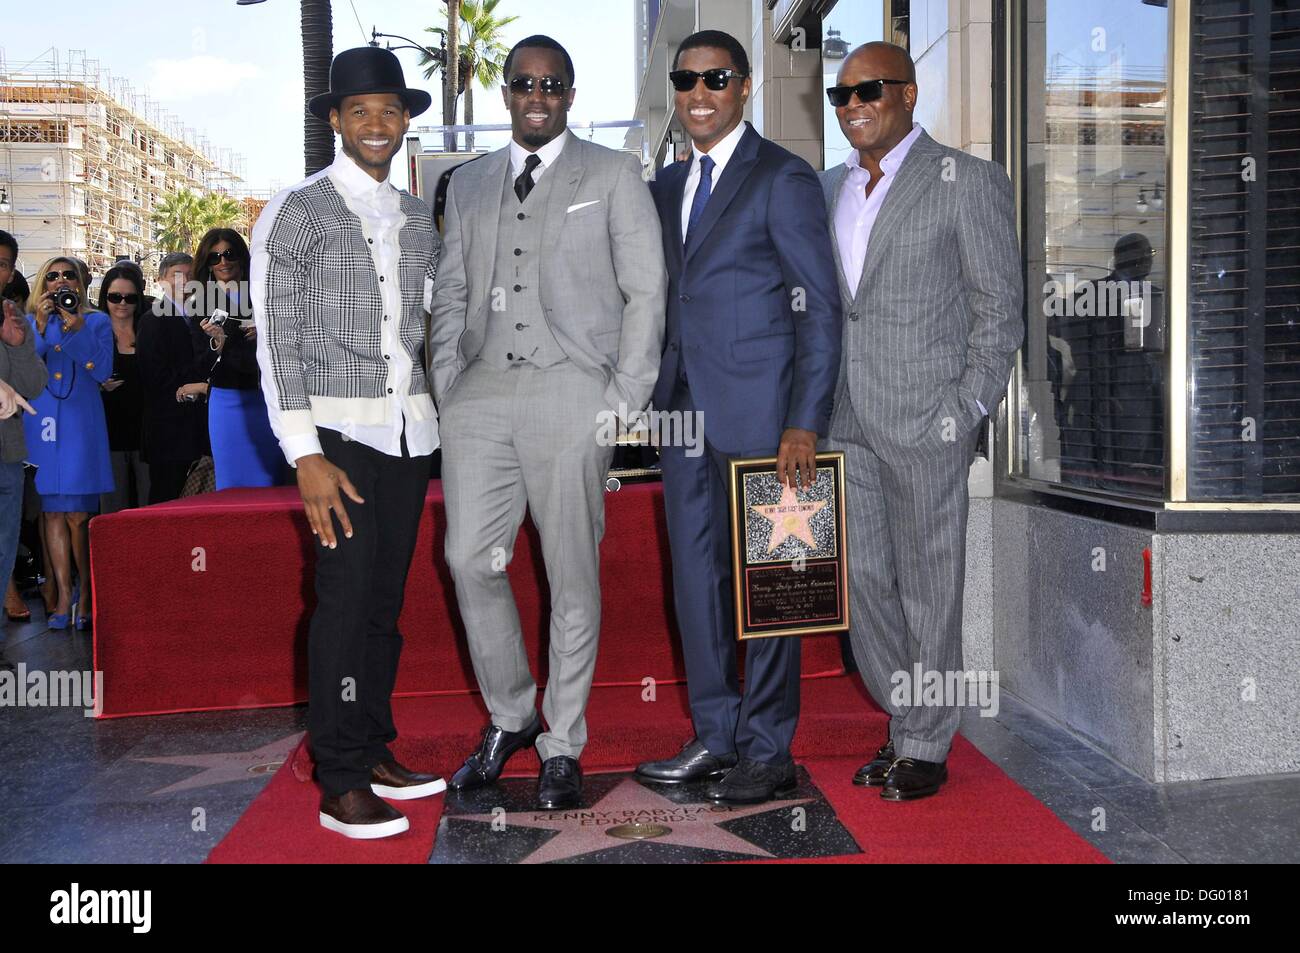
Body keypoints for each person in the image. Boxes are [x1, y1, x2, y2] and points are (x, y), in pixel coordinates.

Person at [430, 35, 666, 811]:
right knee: (470, 559)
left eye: (554, 83)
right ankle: (511, 715)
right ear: (506, 90)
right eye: (526, 82)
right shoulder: (466, 183)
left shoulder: (612, 172)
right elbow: (453, 294)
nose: (539, 94)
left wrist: (621, 398)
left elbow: (646, 290)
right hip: (482, 394)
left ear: (569, 92)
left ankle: (564, 740)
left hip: (574, 390)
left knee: (572, 571)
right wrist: (449, 388)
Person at [631, 31, 842, 805]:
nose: (698, 92)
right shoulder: (663, 186)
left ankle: (767, 746)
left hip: (766, 423)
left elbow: (820, 310)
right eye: (686, 79)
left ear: (745, 86)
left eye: (714, 77)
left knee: (776, 584)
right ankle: (715, 736)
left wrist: (804, 422)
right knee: (697, 584)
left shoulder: (784, 178)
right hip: (682, 417)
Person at [820, 43, 1022, 800]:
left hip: (927, 422)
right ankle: (907, 720)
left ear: (907, 93)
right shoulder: (824, 189)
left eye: (868, 90)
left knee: (930, 586)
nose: (853, 106)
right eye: (841, 95)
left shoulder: (964, 181)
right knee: (864, 581)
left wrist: (965, 409)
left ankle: (928, 740)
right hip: (846, 419)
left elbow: (999, 310)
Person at [253, 46, 446, 839]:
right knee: (342, 600)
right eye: (360, 110)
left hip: (409, 433)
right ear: (334, 121)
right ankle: (338, 776)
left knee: (383, 603)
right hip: (336, 435)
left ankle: (369, 746)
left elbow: (432, 330)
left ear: (405, 124)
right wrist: (304, 454)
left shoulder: (415, 217)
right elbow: (279, 341)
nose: (377, 123)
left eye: (390, 110)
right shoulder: (295, 210)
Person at [23, 256, 114, 631]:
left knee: (78, 515)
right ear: (43, 284)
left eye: (69, 276)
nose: (61, 282)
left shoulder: (96, 321)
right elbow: (26, 371)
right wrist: (43, 327)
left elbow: (103, 370)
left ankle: (87, 594)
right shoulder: (30, 323)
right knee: (53, 514)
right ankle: (62, 595)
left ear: (81, 283)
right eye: (53, 276)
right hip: (42, 423)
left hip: (80, 424)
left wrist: (76, 328)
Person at [189, 229, 283, 490]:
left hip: (266, 398)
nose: (223, 262)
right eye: (214, 257)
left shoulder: (265, 295)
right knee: (231, 486)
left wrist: (265, 333)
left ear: (241, 256)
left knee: (270, 480)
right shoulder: (200, 302)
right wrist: (219, 342)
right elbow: (200, 363)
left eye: (229, 254)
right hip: (226, 401)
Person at [0, 230, 48, 669]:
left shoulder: (13, 316)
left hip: (8, 451)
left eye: (2, 263)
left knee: (3, 543)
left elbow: (33, 385)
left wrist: (15, 347)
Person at [137, 252, 206, 504]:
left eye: (189, 274)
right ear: (161, 280)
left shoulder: (202, 316)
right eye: (177, 274)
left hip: (197, 429)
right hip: (168, 431)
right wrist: (191, 388)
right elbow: (153, 374)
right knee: (166, 498)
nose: (184, 280)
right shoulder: (152, 319)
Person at [97, 265, 149, 512]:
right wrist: (97, 385)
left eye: (130, 297)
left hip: (146, 434)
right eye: (115, 297)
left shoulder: (150, 330)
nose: (122, 303)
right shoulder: (93, 331)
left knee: (149, 505)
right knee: (112, 509)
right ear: (104, 296)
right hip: (107, 433)